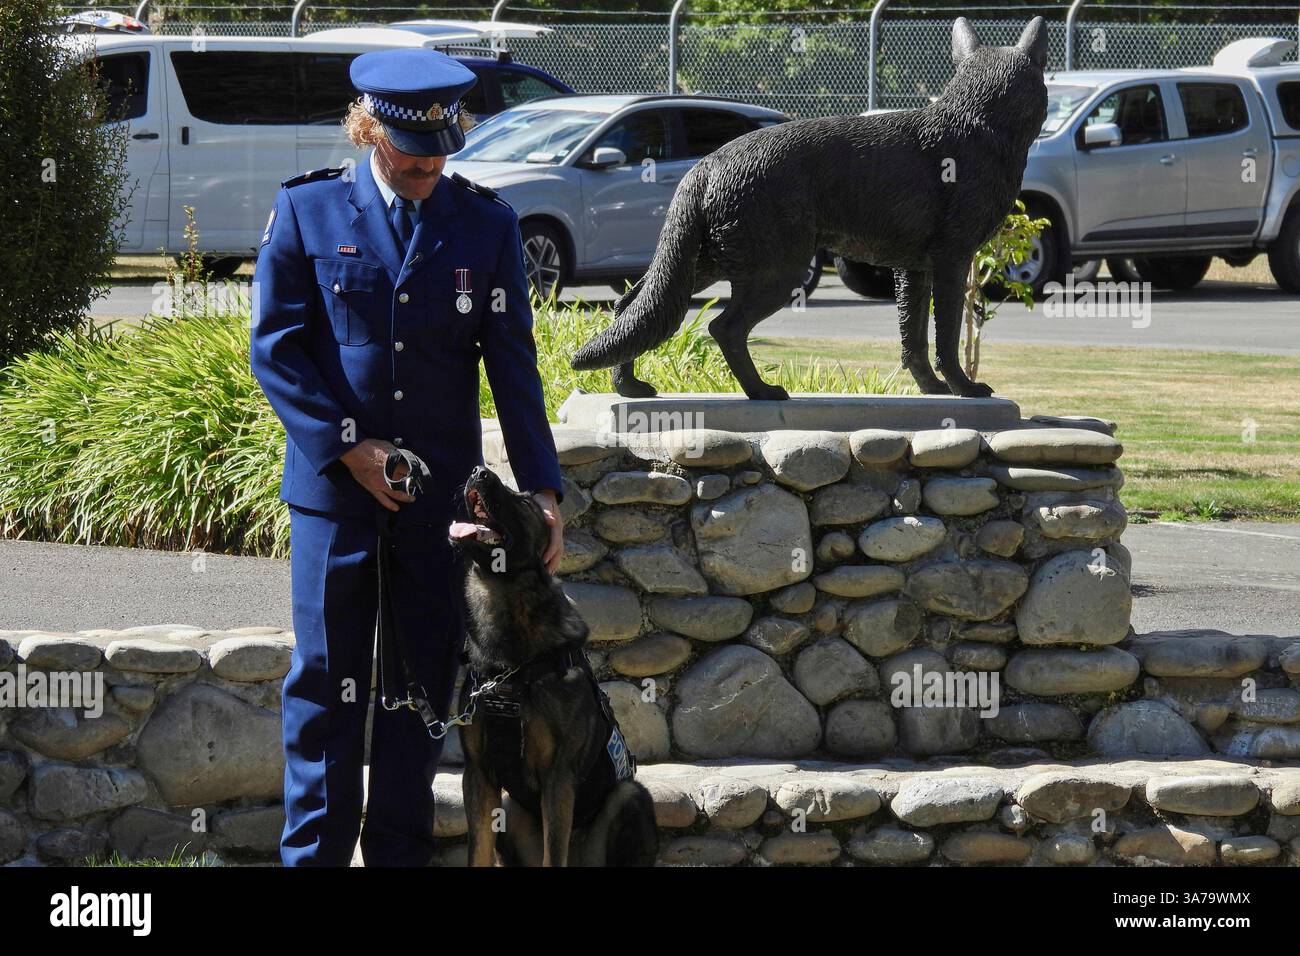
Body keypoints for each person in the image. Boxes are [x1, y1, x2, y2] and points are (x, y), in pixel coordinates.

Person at [250, 47, 564, 867]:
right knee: (326, 682)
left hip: (436, 508)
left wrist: (542, 490)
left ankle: (395, 855)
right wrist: (348, 449)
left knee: (421, 683)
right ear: (369, 131)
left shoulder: (486, 223)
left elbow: (513, 366)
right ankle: (313, 858)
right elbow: (276, 351)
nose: (430, 163)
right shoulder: (309, 212)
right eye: (411, 150)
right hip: (334, 497)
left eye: (441, 148)